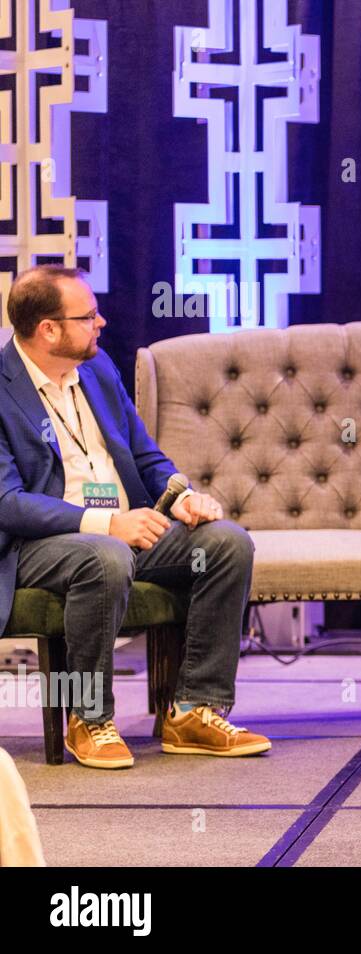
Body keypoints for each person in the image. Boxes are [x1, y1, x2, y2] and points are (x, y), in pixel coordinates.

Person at [0, 266, 269, 769]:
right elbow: (8, 503)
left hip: (127, 530)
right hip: (36, 544)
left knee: (226, 544)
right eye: (88, 315)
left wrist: (183, 496)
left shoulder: (98, 370)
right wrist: (105, 525)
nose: (101, 322)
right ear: (48, 330)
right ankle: (88, 716)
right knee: (104, 557)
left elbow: (145, 455)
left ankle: (192, 710)